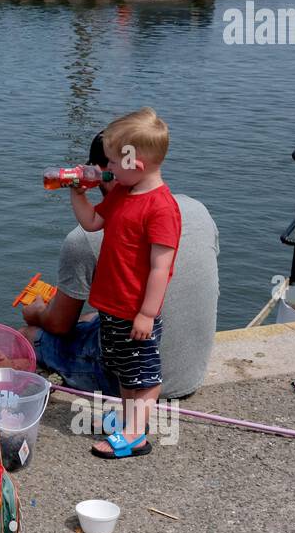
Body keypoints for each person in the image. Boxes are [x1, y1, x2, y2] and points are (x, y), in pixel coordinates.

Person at [22, 114, 219, 456]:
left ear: (133, 162)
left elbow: (161, 266)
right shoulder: (124, 196)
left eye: (111, 162)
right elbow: (93, 221)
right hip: (113, 311)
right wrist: (77, 194)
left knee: (142, 377)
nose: (103, 169)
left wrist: (147, 313)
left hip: (135, 313)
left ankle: (135, 435)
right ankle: (127, 419)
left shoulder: (160, 207)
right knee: (125, 370)